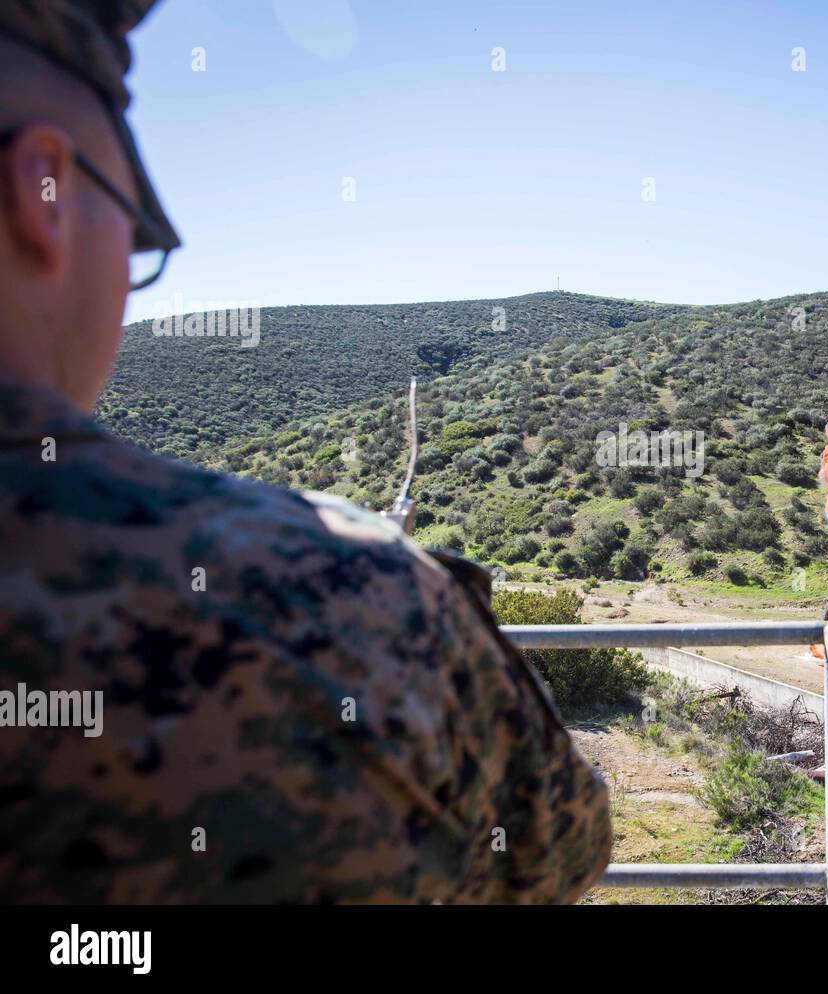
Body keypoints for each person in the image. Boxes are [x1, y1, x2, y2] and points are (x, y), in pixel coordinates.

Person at [0, 0, 610, 903]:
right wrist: (377, 561)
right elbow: (562, 851)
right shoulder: (354, 604)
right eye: (136, 238)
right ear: (40, 189)